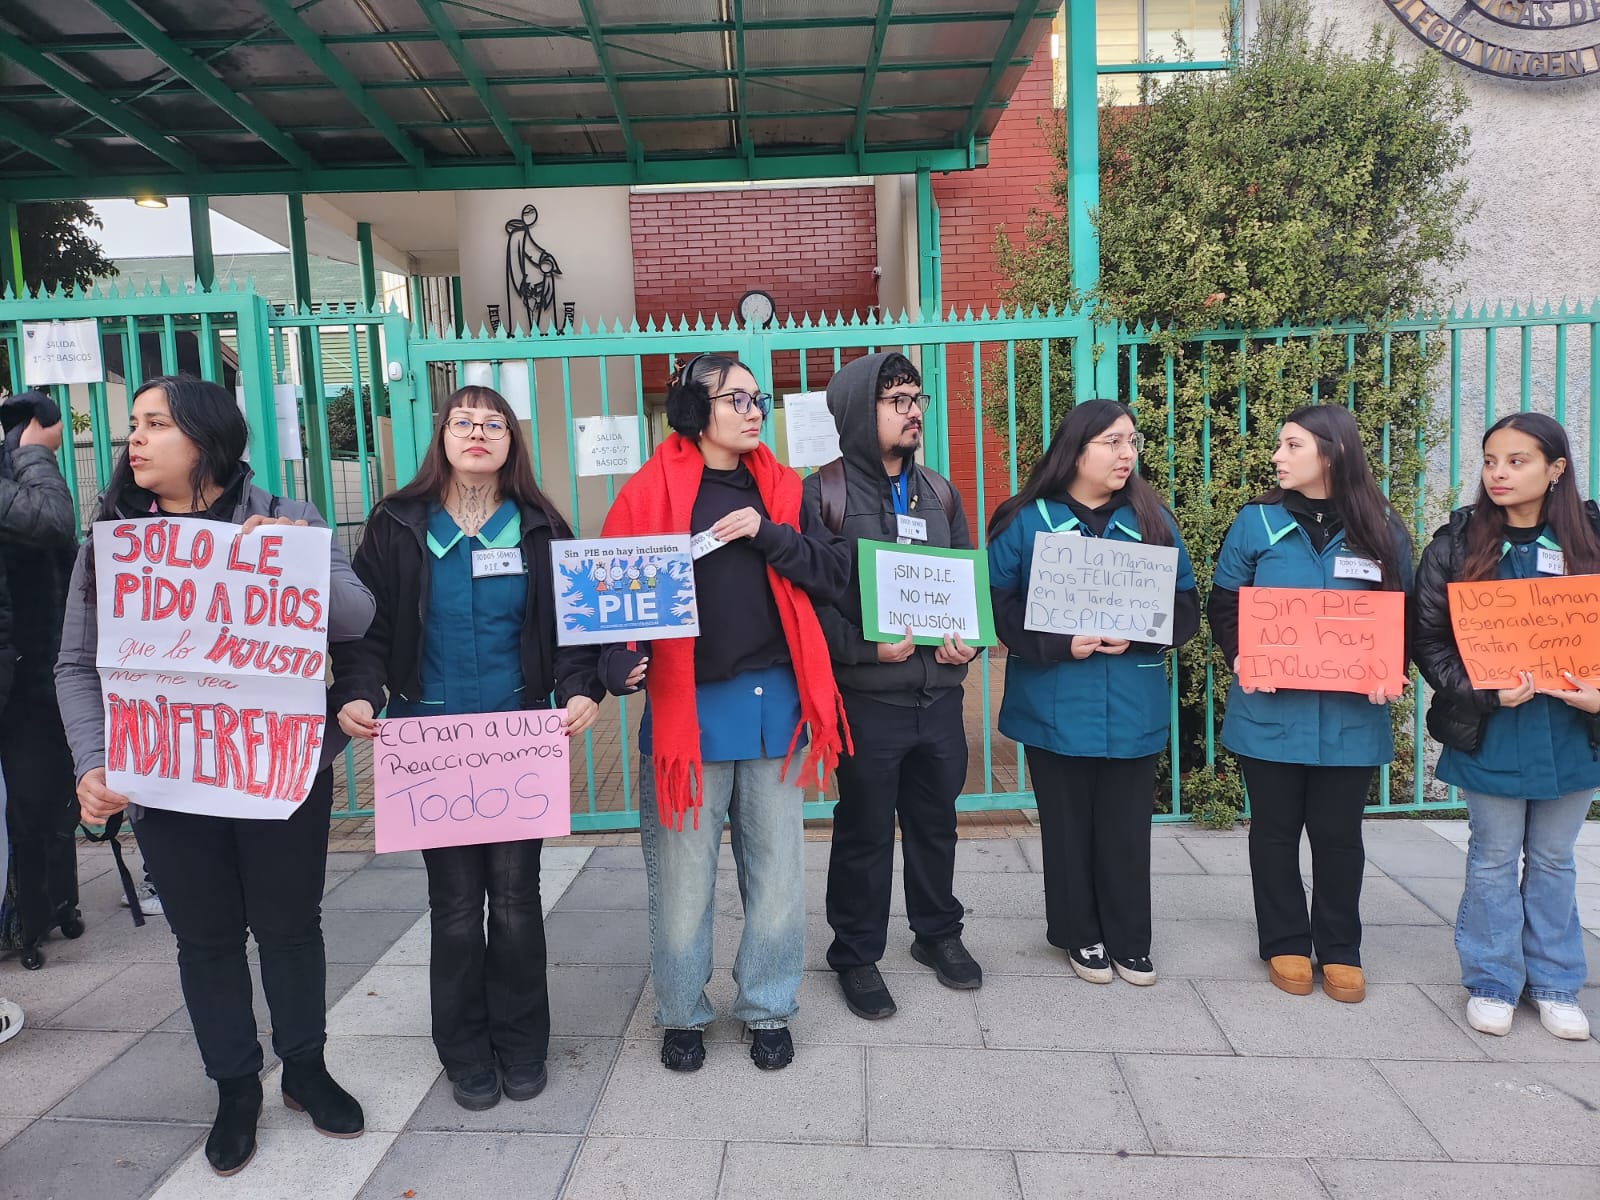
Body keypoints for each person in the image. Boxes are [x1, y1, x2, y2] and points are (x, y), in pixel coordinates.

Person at [56, 374, 376, 1176]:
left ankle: (304, 1067)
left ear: (206, 439)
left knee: (291, 927)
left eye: (154, 424)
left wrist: (293, 560)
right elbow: (75, 666)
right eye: (134, 424)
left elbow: (360, 618)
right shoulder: (114, 545)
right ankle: (236, 1086)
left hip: (280, 775)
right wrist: (94, 763)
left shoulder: (290, 517)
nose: (134, 438)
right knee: (204, 941)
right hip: (167, 784)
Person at [331, 385, 606, 1110]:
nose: (478, 432)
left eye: (493, 423)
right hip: (431, 742)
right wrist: (358, 692)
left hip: (518, 739)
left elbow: (574, 625)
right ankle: (463, 1052)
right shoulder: (396, 524)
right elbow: (367, 629)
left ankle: (521, 1045)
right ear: (442, 437)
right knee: (455, 906)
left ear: (512, 441)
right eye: (463, 421)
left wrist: (582, 686)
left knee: (516, 901)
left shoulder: (542, 527)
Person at [599, 353, 849, 1072]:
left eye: (757, 398)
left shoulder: (784, 490)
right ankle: (682, 1012)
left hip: (775, 708)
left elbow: (831, 575)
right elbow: (610, 602)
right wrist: (618, 662)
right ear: (693, 411)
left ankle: (769, 1007)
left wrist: (768, 534)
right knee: (681, 881)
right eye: (735, 398)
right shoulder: (648, 494)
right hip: (687, 718)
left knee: (775, 876)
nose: (753, 410)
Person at [987, 400, 1200, 986]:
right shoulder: (1025, 520)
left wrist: (1137, 631)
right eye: (1112, 442)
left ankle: (1131, 938)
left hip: (1132, 701)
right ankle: (1080, 933)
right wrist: (1059, 643)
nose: (1126, 453)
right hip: (1054, 701)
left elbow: (1186, 606)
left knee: (1127, 825)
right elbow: (999, 608)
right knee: (1066, 824)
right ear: (1076, 450)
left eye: (1131, 441)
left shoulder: (1153, 519)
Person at [798, 351, 982, 1021]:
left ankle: (938, 934)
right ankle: (855, 953)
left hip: (939, 698)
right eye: (896, 400)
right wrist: (864, 650)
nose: (913, 410)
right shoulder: (822, 495)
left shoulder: (940, 492)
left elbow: (965, 582)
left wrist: (969, 642)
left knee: (937, 825)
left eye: (916, 397)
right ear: (857, 411)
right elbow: (809, 602)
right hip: (867, 702)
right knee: (866, 831)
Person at [1206, 403, 1412, 1004]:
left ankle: (1341, 948)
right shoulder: (1257, 522)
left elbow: (1398, 614)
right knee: (1273, 831)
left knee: (1339, 834)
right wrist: (1243, 654)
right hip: (1270, 711)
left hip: (1351, 715)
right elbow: (1226, 604)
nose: (1278, 456)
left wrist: (1389, 670)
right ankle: (1286, 941)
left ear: (1334, 451)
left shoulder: (1382, 524)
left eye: (1292, 445)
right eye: (1280, 445)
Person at [1412, 412, 1597, 1041]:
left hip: (1573, 733)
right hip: (1491, 731)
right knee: (1492, 857)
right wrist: (1482, 692)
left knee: (1553, 858)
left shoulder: (1592, 540)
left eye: (1517, 461)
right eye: (1492, 460)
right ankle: (1493, 979)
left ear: (1557, 470)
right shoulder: (1457, 545)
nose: (1499, 473)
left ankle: (1555, 984)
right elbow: (1430, 643)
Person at [0, 391, 95, 967]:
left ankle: (36, 913)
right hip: (22, 670)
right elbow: (53, 520)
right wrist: (35, 452)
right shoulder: (26, 468)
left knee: (37, 800)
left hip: (31, 668)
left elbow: (54, 534)